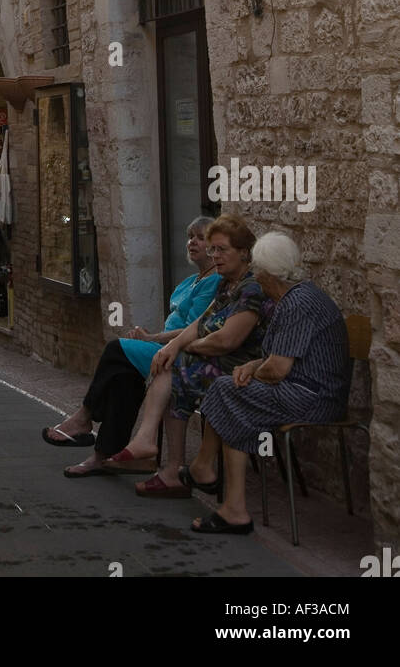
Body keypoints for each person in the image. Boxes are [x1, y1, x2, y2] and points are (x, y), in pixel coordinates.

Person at [92, 215, 273, 495]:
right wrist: (171, 346)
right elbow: (199, 324)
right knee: (169, 362)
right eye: (213, 249)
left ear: (244, 253)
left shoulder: (251, 288)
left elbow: (227, 341)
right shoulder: (227, 284)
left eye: (221, 249)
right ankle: (160, 456)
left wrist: (181, 348)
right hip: (216, 362)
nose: (216, 256)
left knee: (172, 366)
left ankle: (159, 454)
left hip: (242, 368)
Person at [188, 231, 350, 534]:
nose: (255, 276)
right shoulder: (293, 298)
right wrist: (251, 365)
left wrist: (252, 372)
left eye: (257, 269)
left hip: (315, 399)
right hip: (303, 391)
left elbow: (276, 369)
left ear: (268, 273)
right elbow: (275, 359)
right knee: (230, 395)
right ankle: (226, 498)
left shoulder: (298, 303)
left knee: (227, 390)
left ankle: (217, 486)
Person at [41, 217, 221, 473]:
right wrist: (153, 337)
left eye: (200, 238)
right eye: (190, 236)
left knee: (115, 350)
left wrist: (151, 339)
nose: (192, 242)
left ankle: (83, 419)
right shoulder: (189, 281)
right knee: (123, 381)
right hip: (164, 347)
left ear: (215, 247)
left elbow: (194, 330)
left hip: (182, 353)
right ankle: (104, 455)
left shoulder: (213, 282)